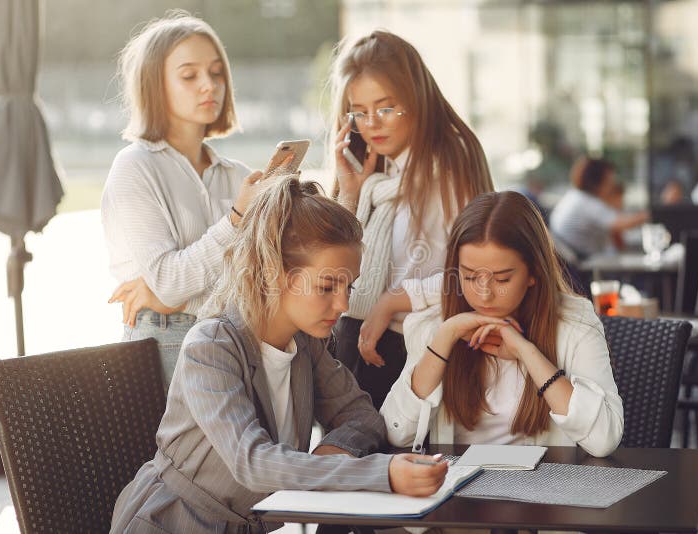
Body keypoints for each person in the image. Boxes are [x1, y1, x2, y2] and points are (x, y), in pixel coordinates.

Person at [110, 177, 448, 534]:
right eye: (327, 286)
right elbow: (253, 463)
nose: (344, 304)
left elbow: (363, 417)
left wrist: (329, 456)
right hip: (172, 524)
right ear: (274, 272)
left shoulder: (306, 345)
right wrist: (381, 474)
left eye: (349, 286)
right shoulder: (210, 347)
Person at [101, 12, 277, 385]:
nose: (209, 86)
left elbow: (261, 283)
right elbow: (167, 281)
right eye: (189, 75)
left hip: (237, 343)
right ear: (155, 84)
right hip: (164, 347)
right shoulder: (134, 167)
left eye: (216, 73)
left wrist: (182, 299)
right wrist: (235, 219)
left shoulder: (238, 175)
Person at [381, 191, 623, 457]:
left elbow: (604, 441)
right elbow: (395, 431)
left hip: (543, 491)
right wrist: (444, 338)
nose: (484, 294)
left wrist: (527, 352)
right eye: (471, 277)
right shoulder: (434, 325)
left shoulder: (575, 325)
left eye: (502, 279)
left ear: (534, 273)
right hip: (458, 491)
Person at [329, 30, 494, 410]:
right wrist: (352, 192)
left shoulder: (448, 163)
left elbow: (476, 274)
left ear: (415, 98)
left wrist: (390, 301)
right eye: (359, 112)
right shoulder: (383, 175)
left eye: (386, 107)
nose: (371, 124)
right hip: (369, 347)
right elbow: (339, 267)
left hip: (422, 351)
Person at [549, 156, 649, 258]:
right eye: (609, 180)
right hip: (580, 266)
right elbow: (621, 224)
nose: (613, 184)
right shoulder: (587, 202)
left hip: (573, 261)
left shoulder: (575, 197)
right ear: (597, 181)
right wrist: (652, 214)